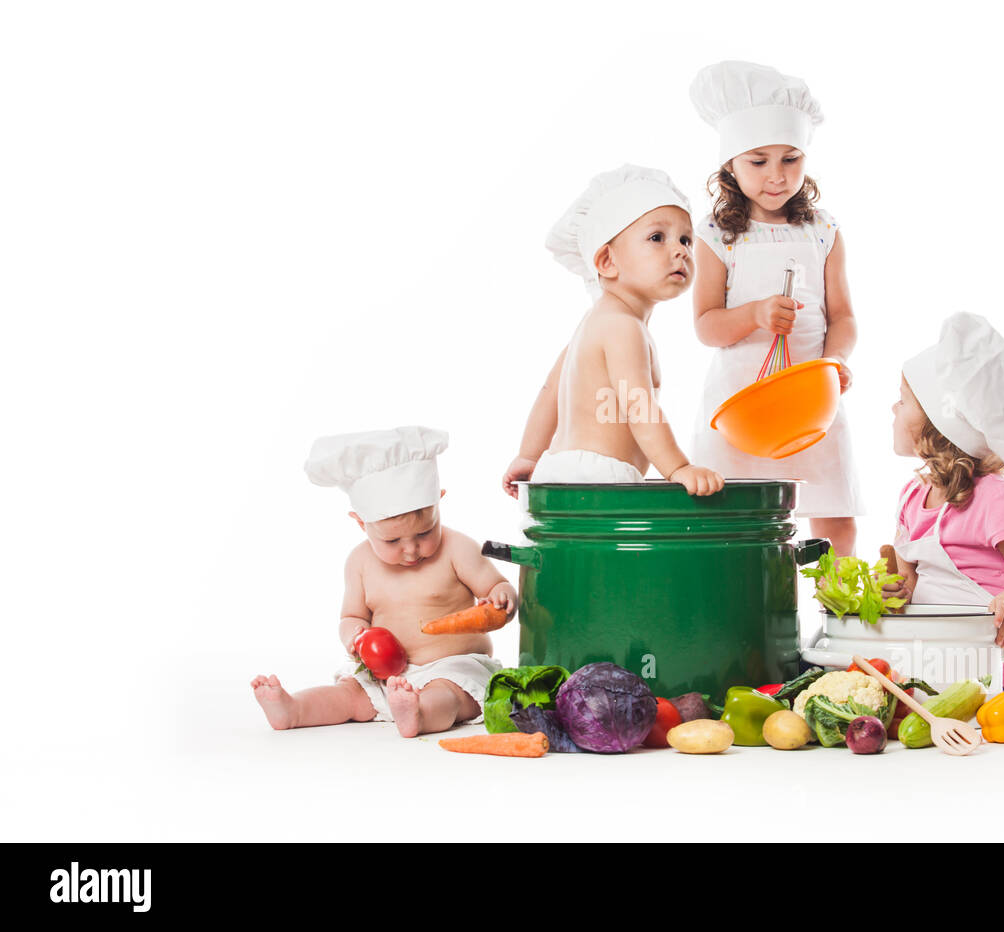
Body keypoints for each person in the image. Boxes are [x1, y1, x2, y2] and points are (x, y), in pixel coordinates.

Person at [688, 60, 863, 556]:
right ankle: (742, 620)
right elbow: (706, 326)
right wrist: (755, 314)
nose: (776, 176)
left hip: (812, 398)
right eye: (758, 161)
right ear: (730, 166)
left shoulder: (823, 231)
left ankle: (839, 616)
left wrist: (837, 361)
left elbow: (843, 316)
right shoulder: (716, 236)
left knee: (835, 518)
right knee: (736, 519)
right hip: (743, 403)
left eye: (791, 159)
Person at [252, 426, 517, 737]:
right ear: (361, 523)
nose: (411, 549)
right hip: (384, 675)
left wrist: (502, 597)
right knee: (348, 693)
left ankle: (419, 712)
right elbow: (352, 616)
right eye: (392, 540)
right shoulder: (360, 562)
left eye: (424, 533)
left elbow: (495, 589)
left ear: (439, 504)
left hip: (452, 666)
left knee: (451, 697)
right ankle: (293, 709)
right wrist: (354, 635)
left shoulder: (458, 549)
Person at [501, 164, 725, 496]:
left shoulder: (595, 322)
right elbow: (639, 405)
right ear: (607, 262)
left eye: (685, 240)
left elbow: (551, 391)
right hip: (599, 480)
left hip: (560, 472)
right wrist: (677, 467)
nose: (680, 250)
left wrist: (529, 455)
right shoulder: (623, 327)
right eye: (657, 238)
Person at [884, 313, 1004, 695]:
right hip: (923, 662)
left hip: (984, 670)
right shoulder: (912, 497)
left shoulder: (997, 498)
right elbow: (909, 586)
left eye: (903, 401)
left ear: (938, 426)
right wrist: (893, 591)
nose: (892, 409)